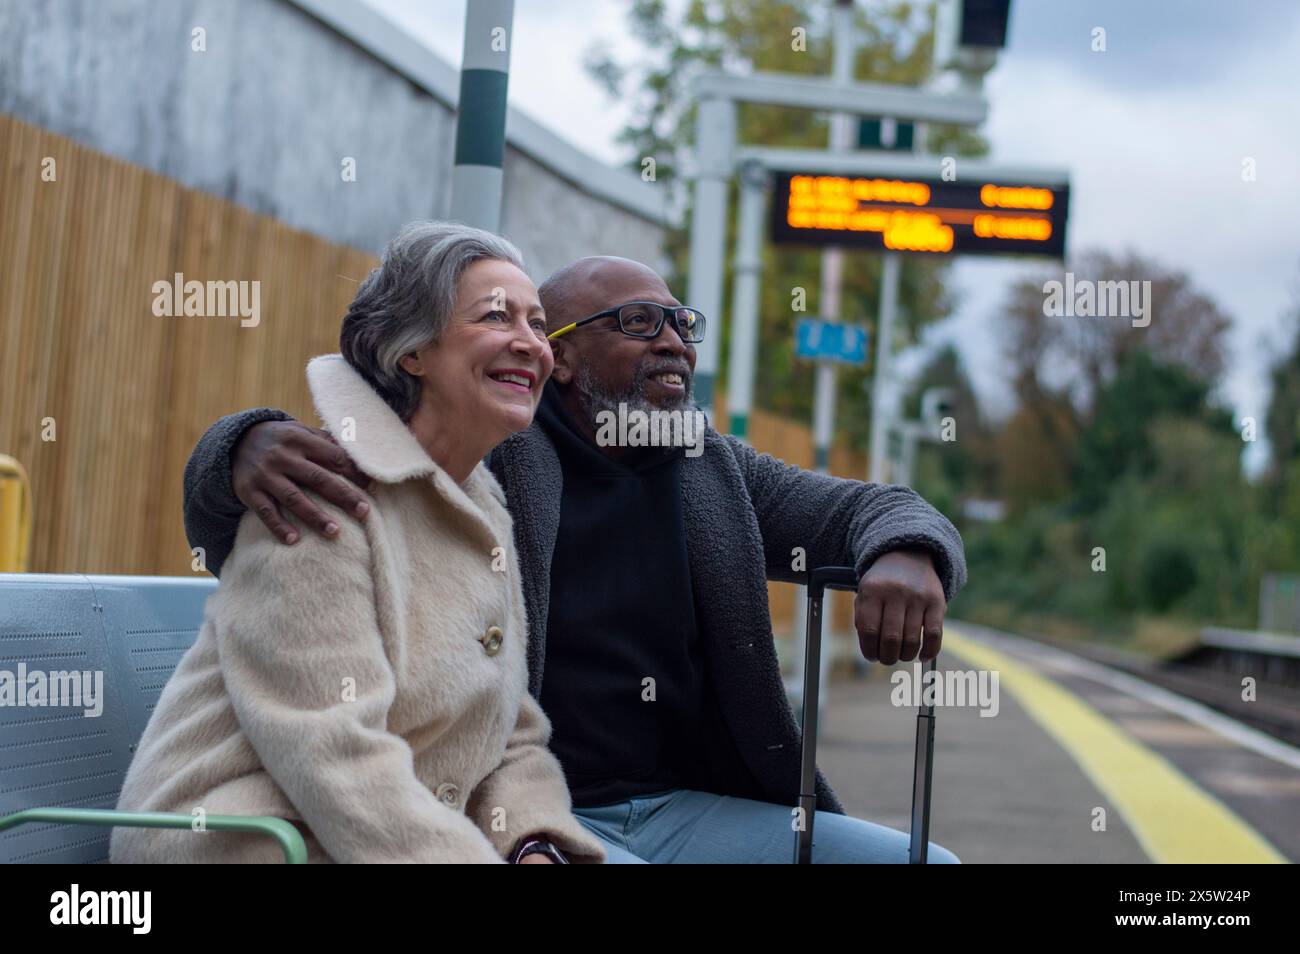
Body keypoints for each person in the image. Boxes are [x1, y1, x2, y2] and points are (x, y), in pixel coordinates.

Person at [181, 254, 969, 863]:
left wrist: (907, 550)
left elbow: (867, 507)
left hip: (684, 808)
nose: (672, 341)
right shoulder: (495, 453)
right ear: (554, 355)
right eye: (635, 322)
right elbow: (346, 455)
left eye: (680, 323)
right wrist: (237, 445)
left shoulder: (708, 468)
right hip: (515, 809)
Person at [111, 222, 604, 864]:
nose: (531, 344)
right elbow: (332, 748)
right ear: (413, 351)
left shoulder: (483, 507)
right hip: (250, 844)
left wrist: (535, 842)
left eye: (539, 325)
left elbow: (508, 733)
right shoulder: (321, 494)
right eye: (495, 316)